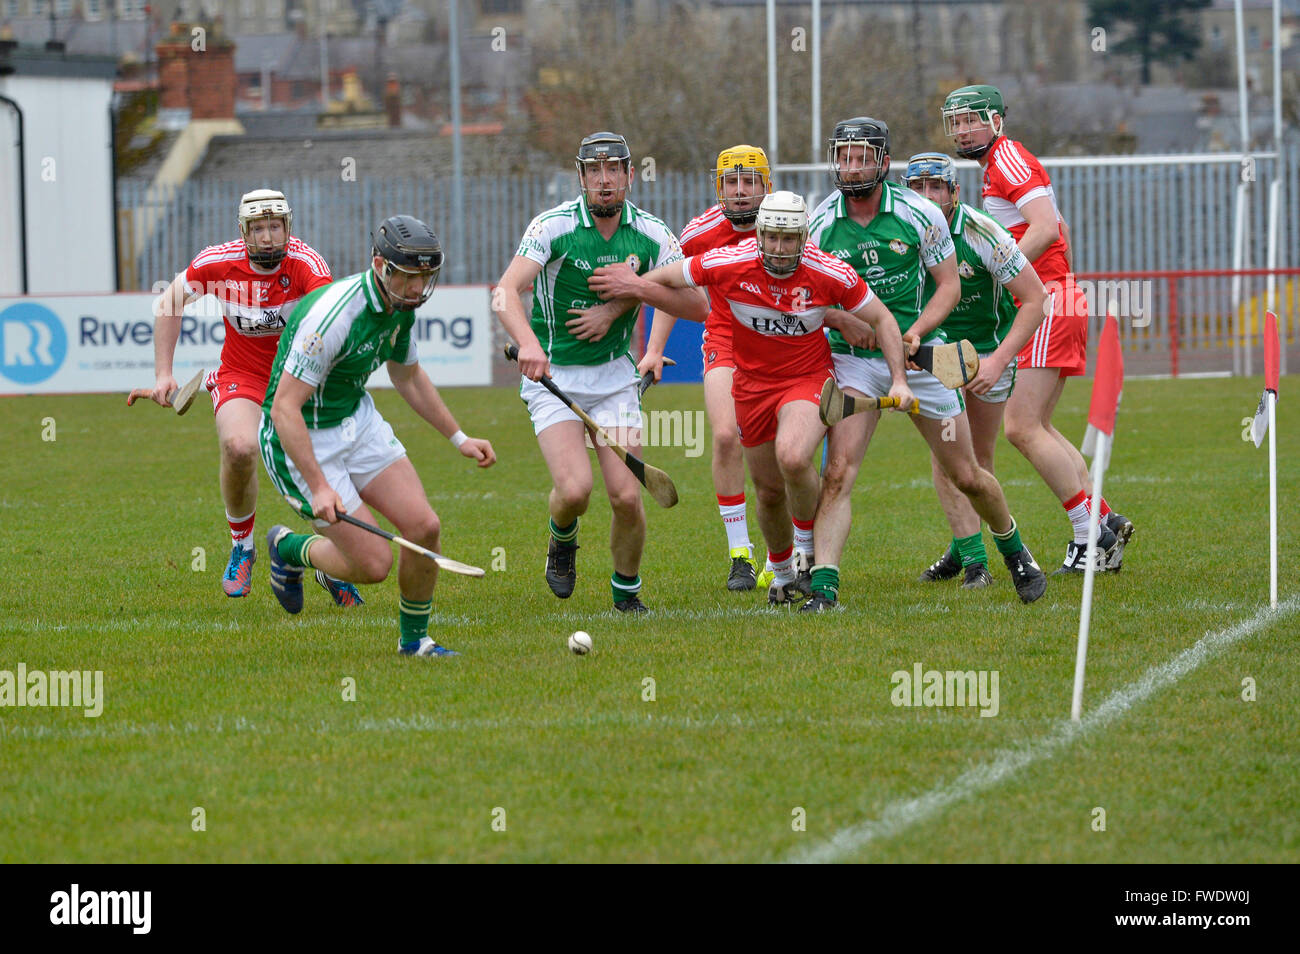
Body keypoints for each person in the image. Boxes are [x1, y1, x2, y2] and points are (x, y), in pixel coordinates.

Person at [598, 191, 913, 607]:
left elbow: (882, 319)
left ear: (804, 237)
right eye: (772, 238)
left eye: (789, 239)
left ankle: (806, 550)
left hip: (807, 378)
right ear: (760, 235)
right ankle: (782, 572)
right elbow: (671, 277)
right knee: (767, 491)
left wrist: (899, 380)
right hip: (750, 386)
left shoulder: (828, 270)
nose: (779, 249)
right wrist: (632, 288)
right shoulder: (729, 261)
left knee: (794, 456)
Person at [807, 117, 1048, 609]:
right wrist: (838, 318)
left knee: (966, 473)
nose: (850, 167)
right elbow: (809, 297)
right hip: (856, 361)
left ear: (882, 161)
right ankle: (825, 587)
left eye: (861, 157)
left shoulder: (919, 214)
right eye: (844, 156)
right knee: (838, 472)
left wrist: (916, 331)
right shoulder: (821, 222)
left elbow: (949, 286)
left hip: (921, 360)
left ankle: (1014, 549)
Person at [258, 215, 496, 657]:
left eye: (425, 277)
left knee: (424, 527)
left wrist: (458, 437)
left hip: (356, 422)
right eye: (408, 277)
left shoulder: (400, 309)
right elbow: (284, 408)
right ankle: (288, 547)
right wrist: (319, 487)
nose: (417, 288)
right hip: (299, 437)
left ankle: (415, 642)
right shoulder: (332, 320)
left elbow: (408, 377)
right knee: (372, 565)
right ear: (380, 266)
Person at [493, 132, 707, 613]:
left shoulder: (652, 233)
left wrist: (634, 294)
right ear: (582, 177)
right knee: (574, 491)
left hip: (616, 379)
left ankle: (626, 593)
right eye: (595, 171)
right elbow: (505, 292)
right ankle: (562, 537)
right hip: (554, 379)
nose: (604, 180)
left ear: (631, 175)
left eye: (614, 170)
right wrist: (528, 344)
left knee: (627, 498)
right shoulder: (553, 226)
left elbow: (698, 304)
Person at [941, 84, 1134, 573]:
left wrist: (1001, 270)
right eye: (957, 121)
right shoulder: (999, 164)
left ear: (997, 120)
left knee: (1022, 428)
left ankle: (1089, 534)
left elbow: (1046, 227)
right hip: (1057, 298)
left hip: (1046, 299)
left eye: (972, 119)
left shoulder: (1006, 159)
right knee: (1039, 426)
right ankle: (1102, 520)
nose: (964, 129)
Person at [144, 189, 362, 607]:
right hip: (241, 376)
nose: (267, 237)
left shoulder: (307, 265)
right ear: (243, 231)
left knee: (324, 468)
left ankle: (328, 560)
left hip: (297, 381)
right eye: (258, 228)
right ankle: (242, 546)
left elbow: (332, 323)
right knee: (239, 447)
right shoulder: (218, 262)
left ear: (288, 227)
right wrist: (163, 373)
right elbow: (169, 302)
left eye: (275, 226)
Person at [901, 152, 1050, 588]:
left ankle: (964, 549)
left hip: (986, 355)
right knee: (947, 455)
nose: (927, 197)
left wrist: (998, 360)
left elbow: (1036, 299)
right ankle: (973, 561)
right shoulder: (901, 232)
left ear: (955, 192)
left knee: (976, 462)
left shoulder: (985, 232)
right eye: (918, 188)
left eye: (936, 187)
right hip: (933, 357)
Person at [637, 144, 775, 592]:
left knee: (779, 452)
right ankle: (740, 554)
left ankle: (786, 553)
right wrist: (655, 349)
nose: (739, 191)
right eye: (731, 182)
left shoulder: (786, 223)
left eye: (749, 181)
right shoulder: (698, 232)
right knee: (723, 435)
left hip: (781, 345)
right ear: (719, 186)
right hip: (725, 339)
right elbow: (668, 289)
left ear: (765, 185)